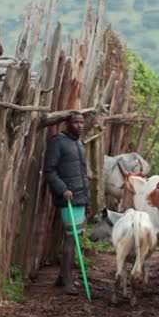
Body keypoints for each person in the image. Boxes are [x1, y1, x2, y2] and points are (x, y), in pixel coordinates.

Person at [44, 112, 91, 295]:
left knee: (75, 237)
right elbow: (49, 170)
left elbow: (84, 175)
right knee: (71, 238)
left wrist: (88, 201)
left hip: (80, 198)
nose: (80, 125)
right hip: (68, 198)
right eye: (76, 122)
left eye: (82, 122)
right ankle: (68, 282)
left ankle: (63, 276)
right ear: (67, 124)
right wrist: (63, 189)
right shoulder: (58, 142)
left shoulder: (79, 143)